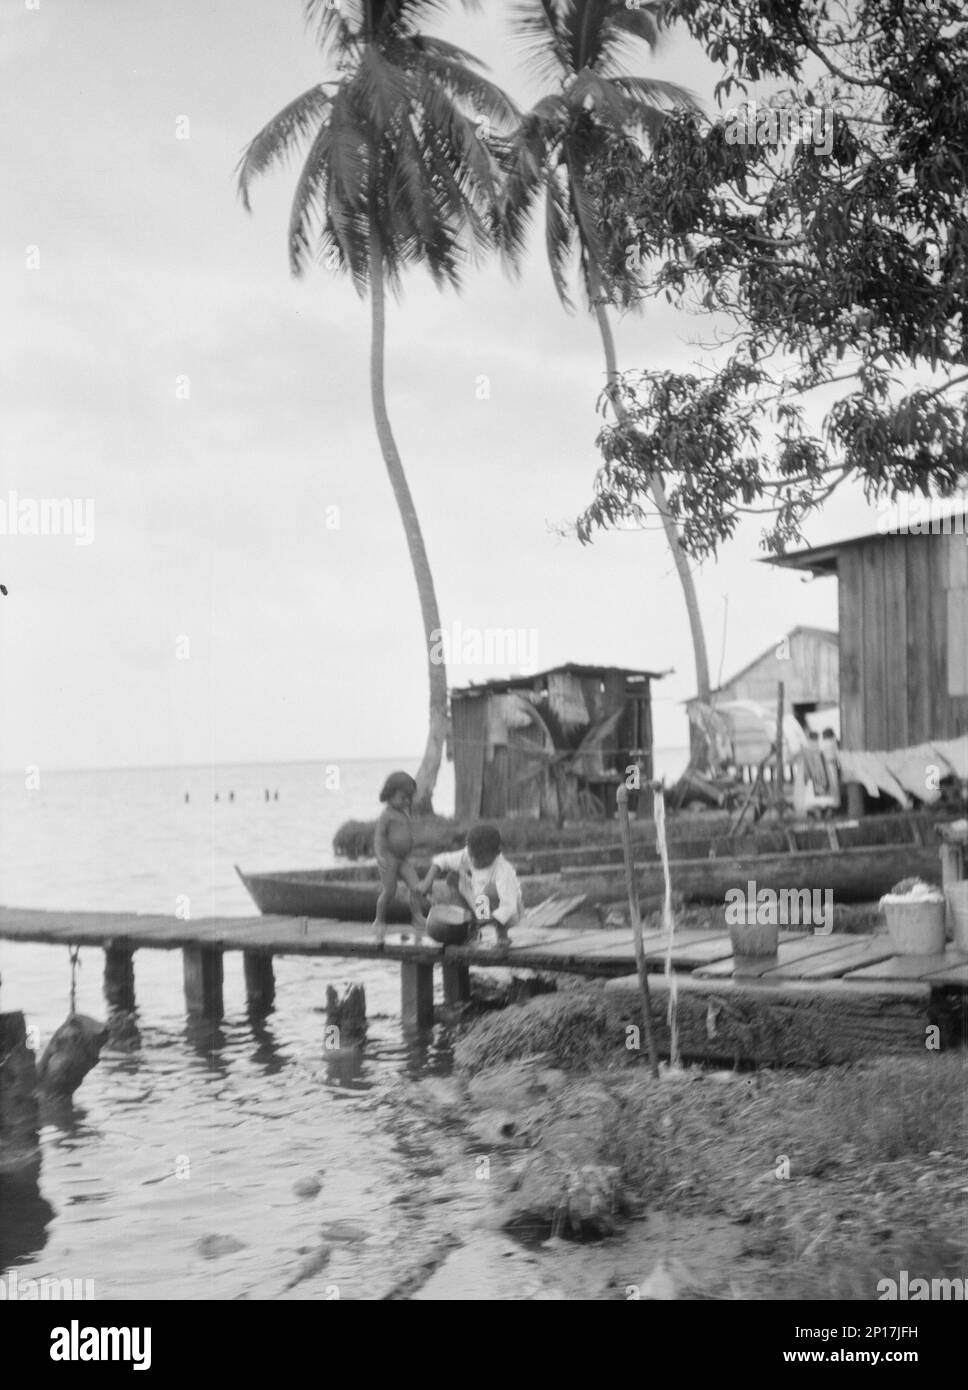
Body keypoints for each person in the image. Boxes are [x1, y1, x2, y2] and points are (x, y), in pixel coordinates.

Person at [420, 823, 523, 954]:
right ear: (468, 848)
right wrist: (427, 882)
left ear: (496, 854)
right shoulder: (468, 854)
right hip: (479, 901)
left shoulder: (503, 871)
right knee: (454, 877)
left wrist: (488, 919)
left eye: (481, 859)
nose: (474, 861)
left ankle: (502, 935)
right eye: (472, 856)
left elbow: (509, 906)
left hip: (506, 909)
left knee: (488, 891)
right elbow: (442, 861)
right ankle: (468, 930)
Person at [372, 771, 426, 946]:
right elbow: (379, 837)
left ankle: (417, 916)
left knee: (416, 886)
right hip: (389, 858)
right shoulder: (386, 814)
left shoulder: (403, 812)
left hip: (402, 860)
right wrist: (379, 855)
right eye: (403, 797)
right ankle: (379, 920)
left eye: (409, 798)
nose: (407, 802)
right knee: (389, 891)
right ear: (390, 794)